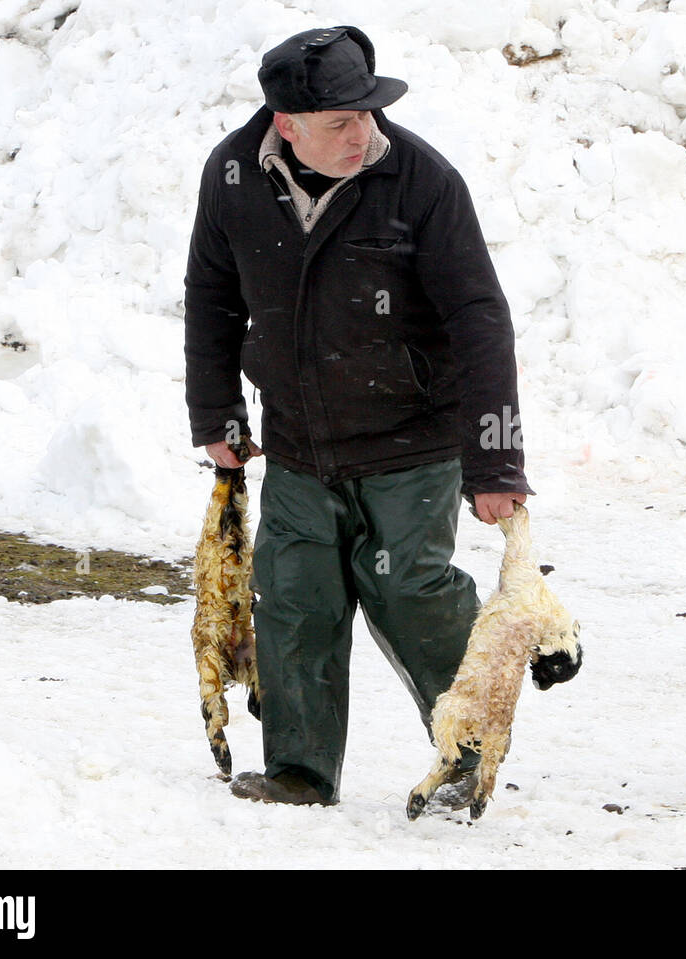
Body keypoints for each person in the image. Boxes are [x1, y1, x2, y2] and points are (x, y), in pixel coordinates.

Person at [183, 25, 530, 807]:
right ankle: (300, 771)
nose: (363, 134)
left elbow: (480, 316)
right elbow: (212, 294)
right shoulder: (234, 175)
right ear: (286, 124)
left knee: (411, 589)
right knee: (297, 596)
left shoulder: (421, 180)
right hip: (302, 442)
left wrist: (495, 461)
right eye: (342, 121)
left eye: (369, 114)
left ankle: (467, 757)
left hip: (411, 439)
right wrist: (217, 412)